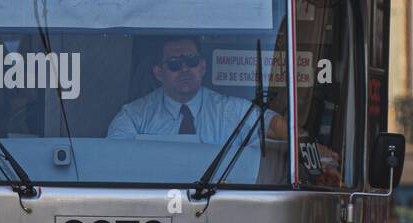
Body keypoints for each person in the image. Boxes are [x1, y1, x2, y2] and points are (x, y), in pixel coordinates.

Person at [107, 36, 286, 143]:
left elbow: (275, 127)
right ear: (159, 73)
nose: (185, 69)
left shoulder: (231, 110)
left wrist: (302, 138)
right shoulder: (133, 116)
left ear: (202, 66)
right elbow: (114, 159)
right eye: (174, 64)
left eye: (191, 61)